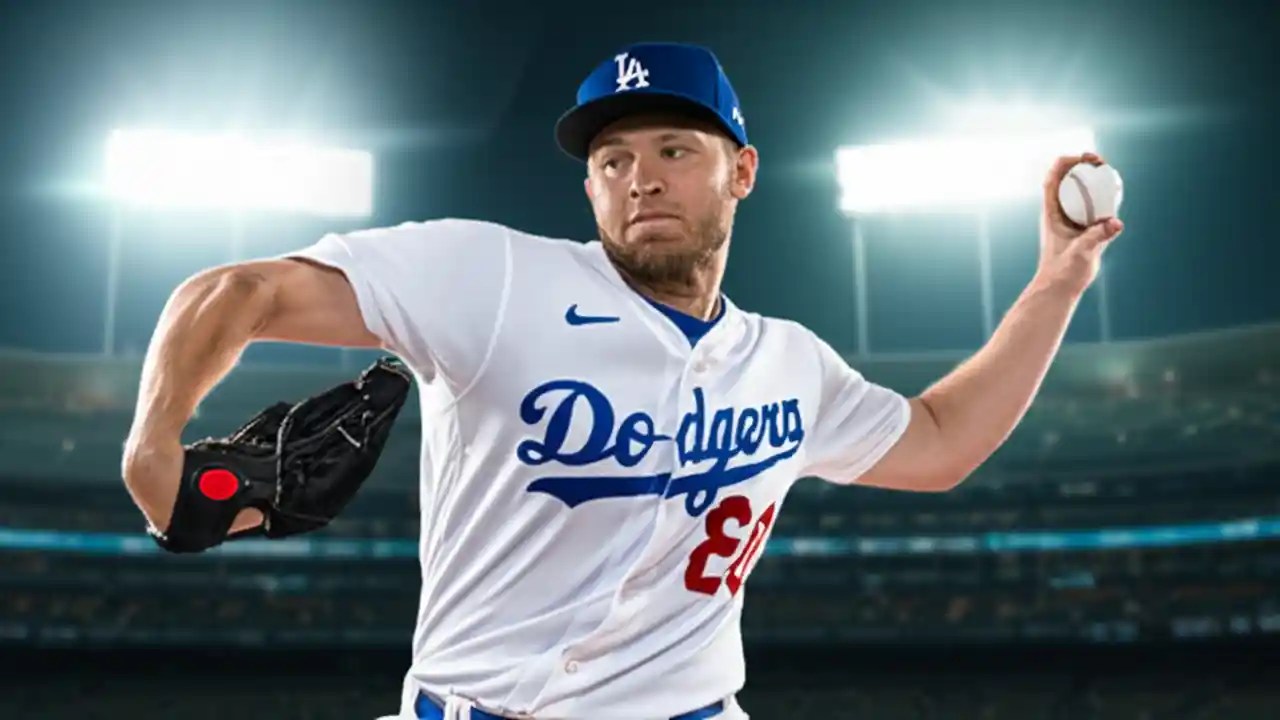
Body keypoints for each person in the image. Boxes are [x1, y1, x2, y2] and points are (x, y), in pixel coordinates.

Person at [121, 42, 1125, 719]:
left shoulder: (789, 363)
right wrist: (154, 438)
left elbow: (942, 441)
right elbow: (238, 289)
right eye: (611, 157)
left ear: (740, 172)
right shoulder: (494, 276)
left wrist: (1056, 280)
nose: (639, 176)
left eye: (673, 150)